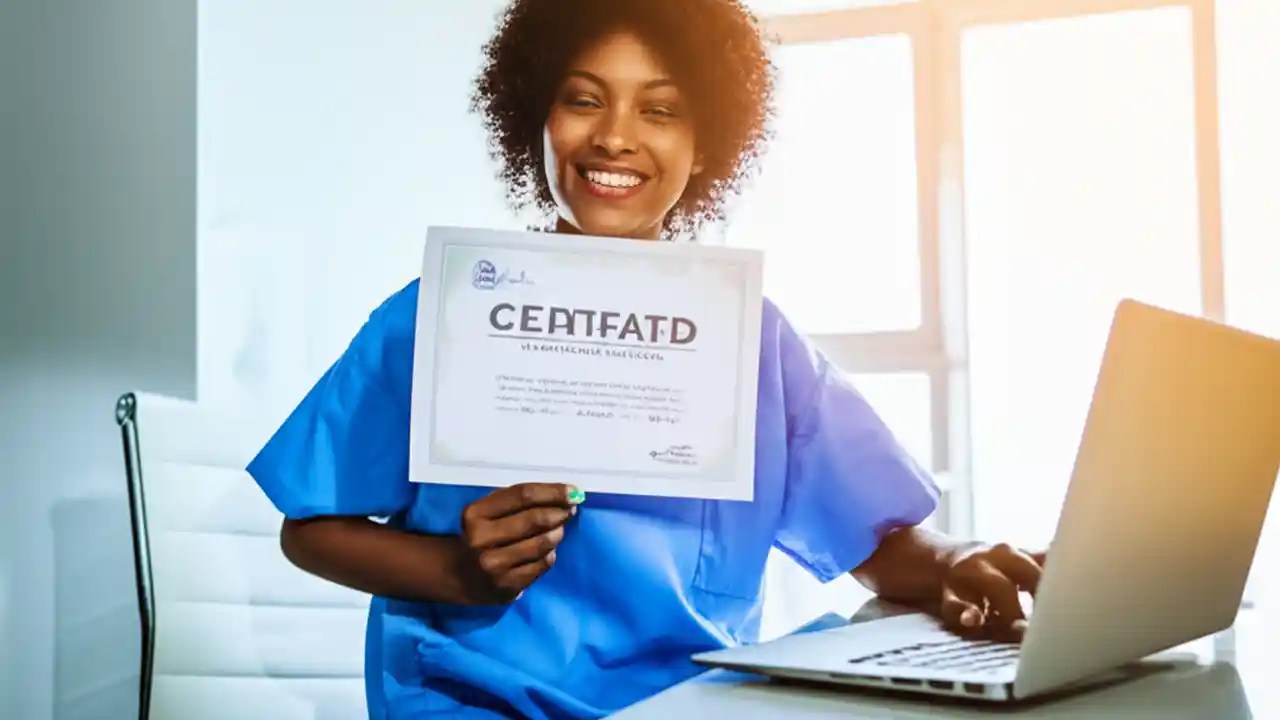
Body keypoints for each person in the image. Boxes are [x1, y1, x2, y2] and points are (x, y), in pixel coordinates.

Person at [246, 0, 1046, 717]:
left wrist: (955, 559)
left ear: (706, 147)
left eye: (660, 109)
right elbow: (311, 529)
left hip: (698, 705)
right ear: (538, 118)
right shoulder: (439, 313)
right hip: (470, 702)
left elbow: (878, 542)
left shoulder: (756, 342)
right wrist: (458, 572)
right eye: (582, 98)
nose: (616, 135)